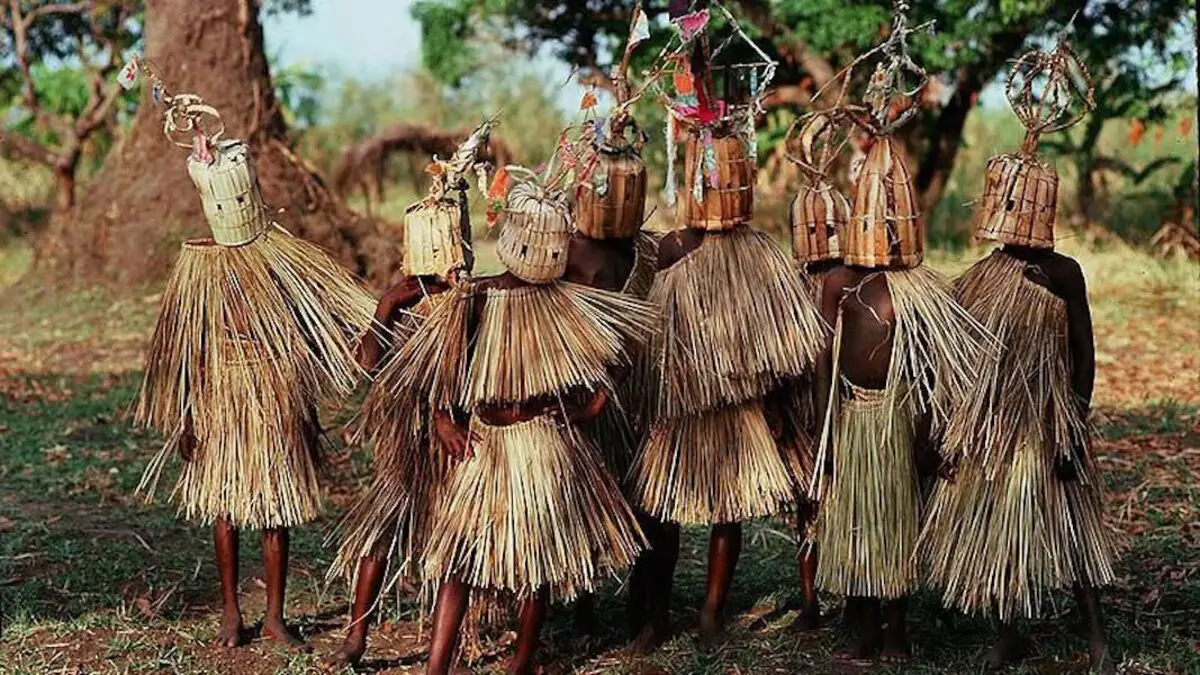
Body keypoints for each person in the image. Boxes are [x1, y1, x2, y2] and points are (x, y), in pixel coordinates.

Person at [135, 95, 374, 650]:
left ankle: (273, 614)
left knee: (275, 506)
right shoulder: (200, 268)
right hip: (221, 394)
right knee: (223, 505)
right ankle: (228, 612)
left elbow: (318, 333)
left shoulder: (285, 259)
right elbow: (187, 347)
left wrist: (305, 406)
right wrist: (190, 416)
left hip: (275, 394)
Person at [625, 4, 827, 648]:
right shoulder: (667, 249)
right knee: (661, 510)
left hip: (738, 408)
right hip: (677, 406)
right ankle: (656, 614)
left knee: (725, 511)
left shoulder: (760, 252)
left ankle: (711, 612)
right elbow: (644, 328)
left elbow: (785, 345)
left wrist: (768, 404)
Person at [917, 41, 1118, 673]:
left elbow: (1082, 352)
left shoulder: (1064, 274)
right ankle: (1009, 632)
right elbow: (959, 362)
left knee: (1073, 528)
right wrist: (956, 429)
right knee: (1002, 528)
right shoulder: (978, 278)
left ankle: (1094, 633)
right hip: (997, 427)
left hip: (1048, 421)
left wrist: (1074, 420)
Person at [409, 173, 657, 675]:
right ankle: (436, 666)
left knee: (537, 561)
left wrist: (593, 405)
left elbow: (623, 352)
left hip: (545, 445)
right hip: (486, 443)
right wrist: (442, 418)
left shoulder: (568, 301)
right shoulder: (475, 298)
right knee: (460, 558)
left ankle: (521, 663)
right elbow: (440, 363)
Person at [808, 25, 998, 661]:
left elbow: (946, 371)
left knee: (894, 527)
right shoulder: (838, 282)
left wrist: (936, 433)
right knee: (854, 524)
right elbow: (821, 361)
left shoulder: (925, 290)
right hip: (853, 419)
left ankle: (895, 634)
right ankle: (863, 633)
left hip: (898, 420)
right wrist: (820, 432)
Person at [323, 123, 492, 667]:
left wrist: (451, 415)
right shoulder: (400, 300)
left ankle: (441, 659)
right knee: (378, 536)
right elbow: (367, 364)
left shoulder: (478, 301)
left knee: (457, 550)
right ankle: (356, 637)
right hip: (406, 447)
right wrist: (387, 307)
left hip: (461, 443)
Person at [566, 119, 660, 638]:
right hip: (582, 391)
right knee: (582, 500)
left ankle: (648, 613)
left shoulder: (646, 250)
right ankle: (582, 609)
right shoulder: (569, 249)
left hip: (636, 393)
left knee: (647, 503)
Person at [783, 111, 851, 630]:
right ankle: (810, 598)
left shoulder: (857, 282)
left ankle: (852, 591)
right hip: (803, 407)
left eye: (833, 226)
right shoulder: (789, 286)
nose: (824, 234)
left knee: (847, 497)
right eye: (815, 227)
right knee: (808, 500)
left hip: (851, 409)